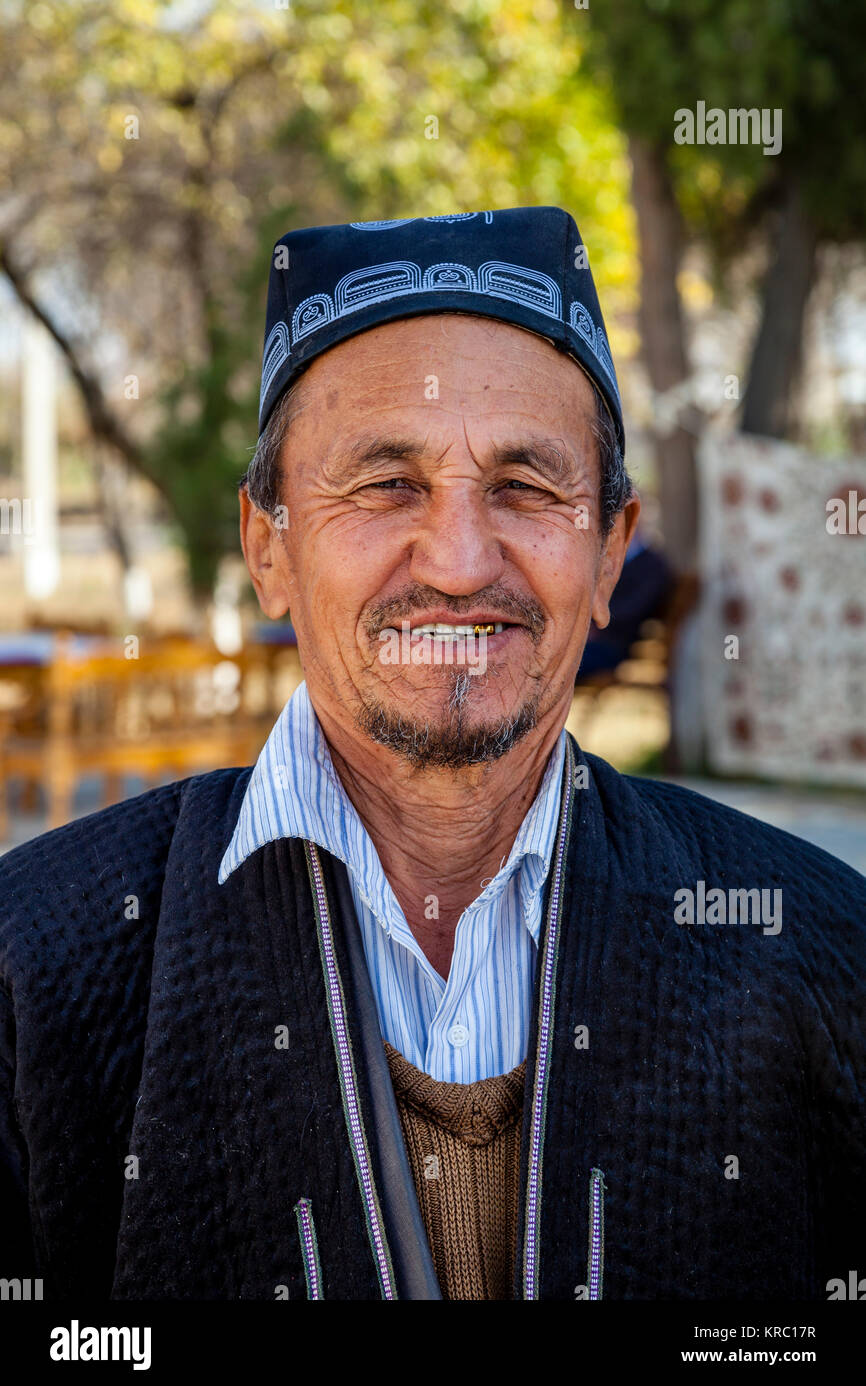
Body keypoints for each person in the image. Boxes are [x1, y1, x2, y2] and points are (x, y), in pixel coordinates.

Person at [1, 207, 863, 1302]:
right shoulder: (31, 969)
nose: (458, 563)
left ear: (607, 551)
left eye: (523, 487)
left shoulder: (821, 951)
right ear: (268, 547)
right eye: (383, 483)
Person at [576, 530, 673, 677]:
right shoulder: (609, 561)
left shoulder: (652, 565)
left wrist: (596, 624)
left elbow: (635, 608)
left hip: (616, 643)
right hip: (594, 636)